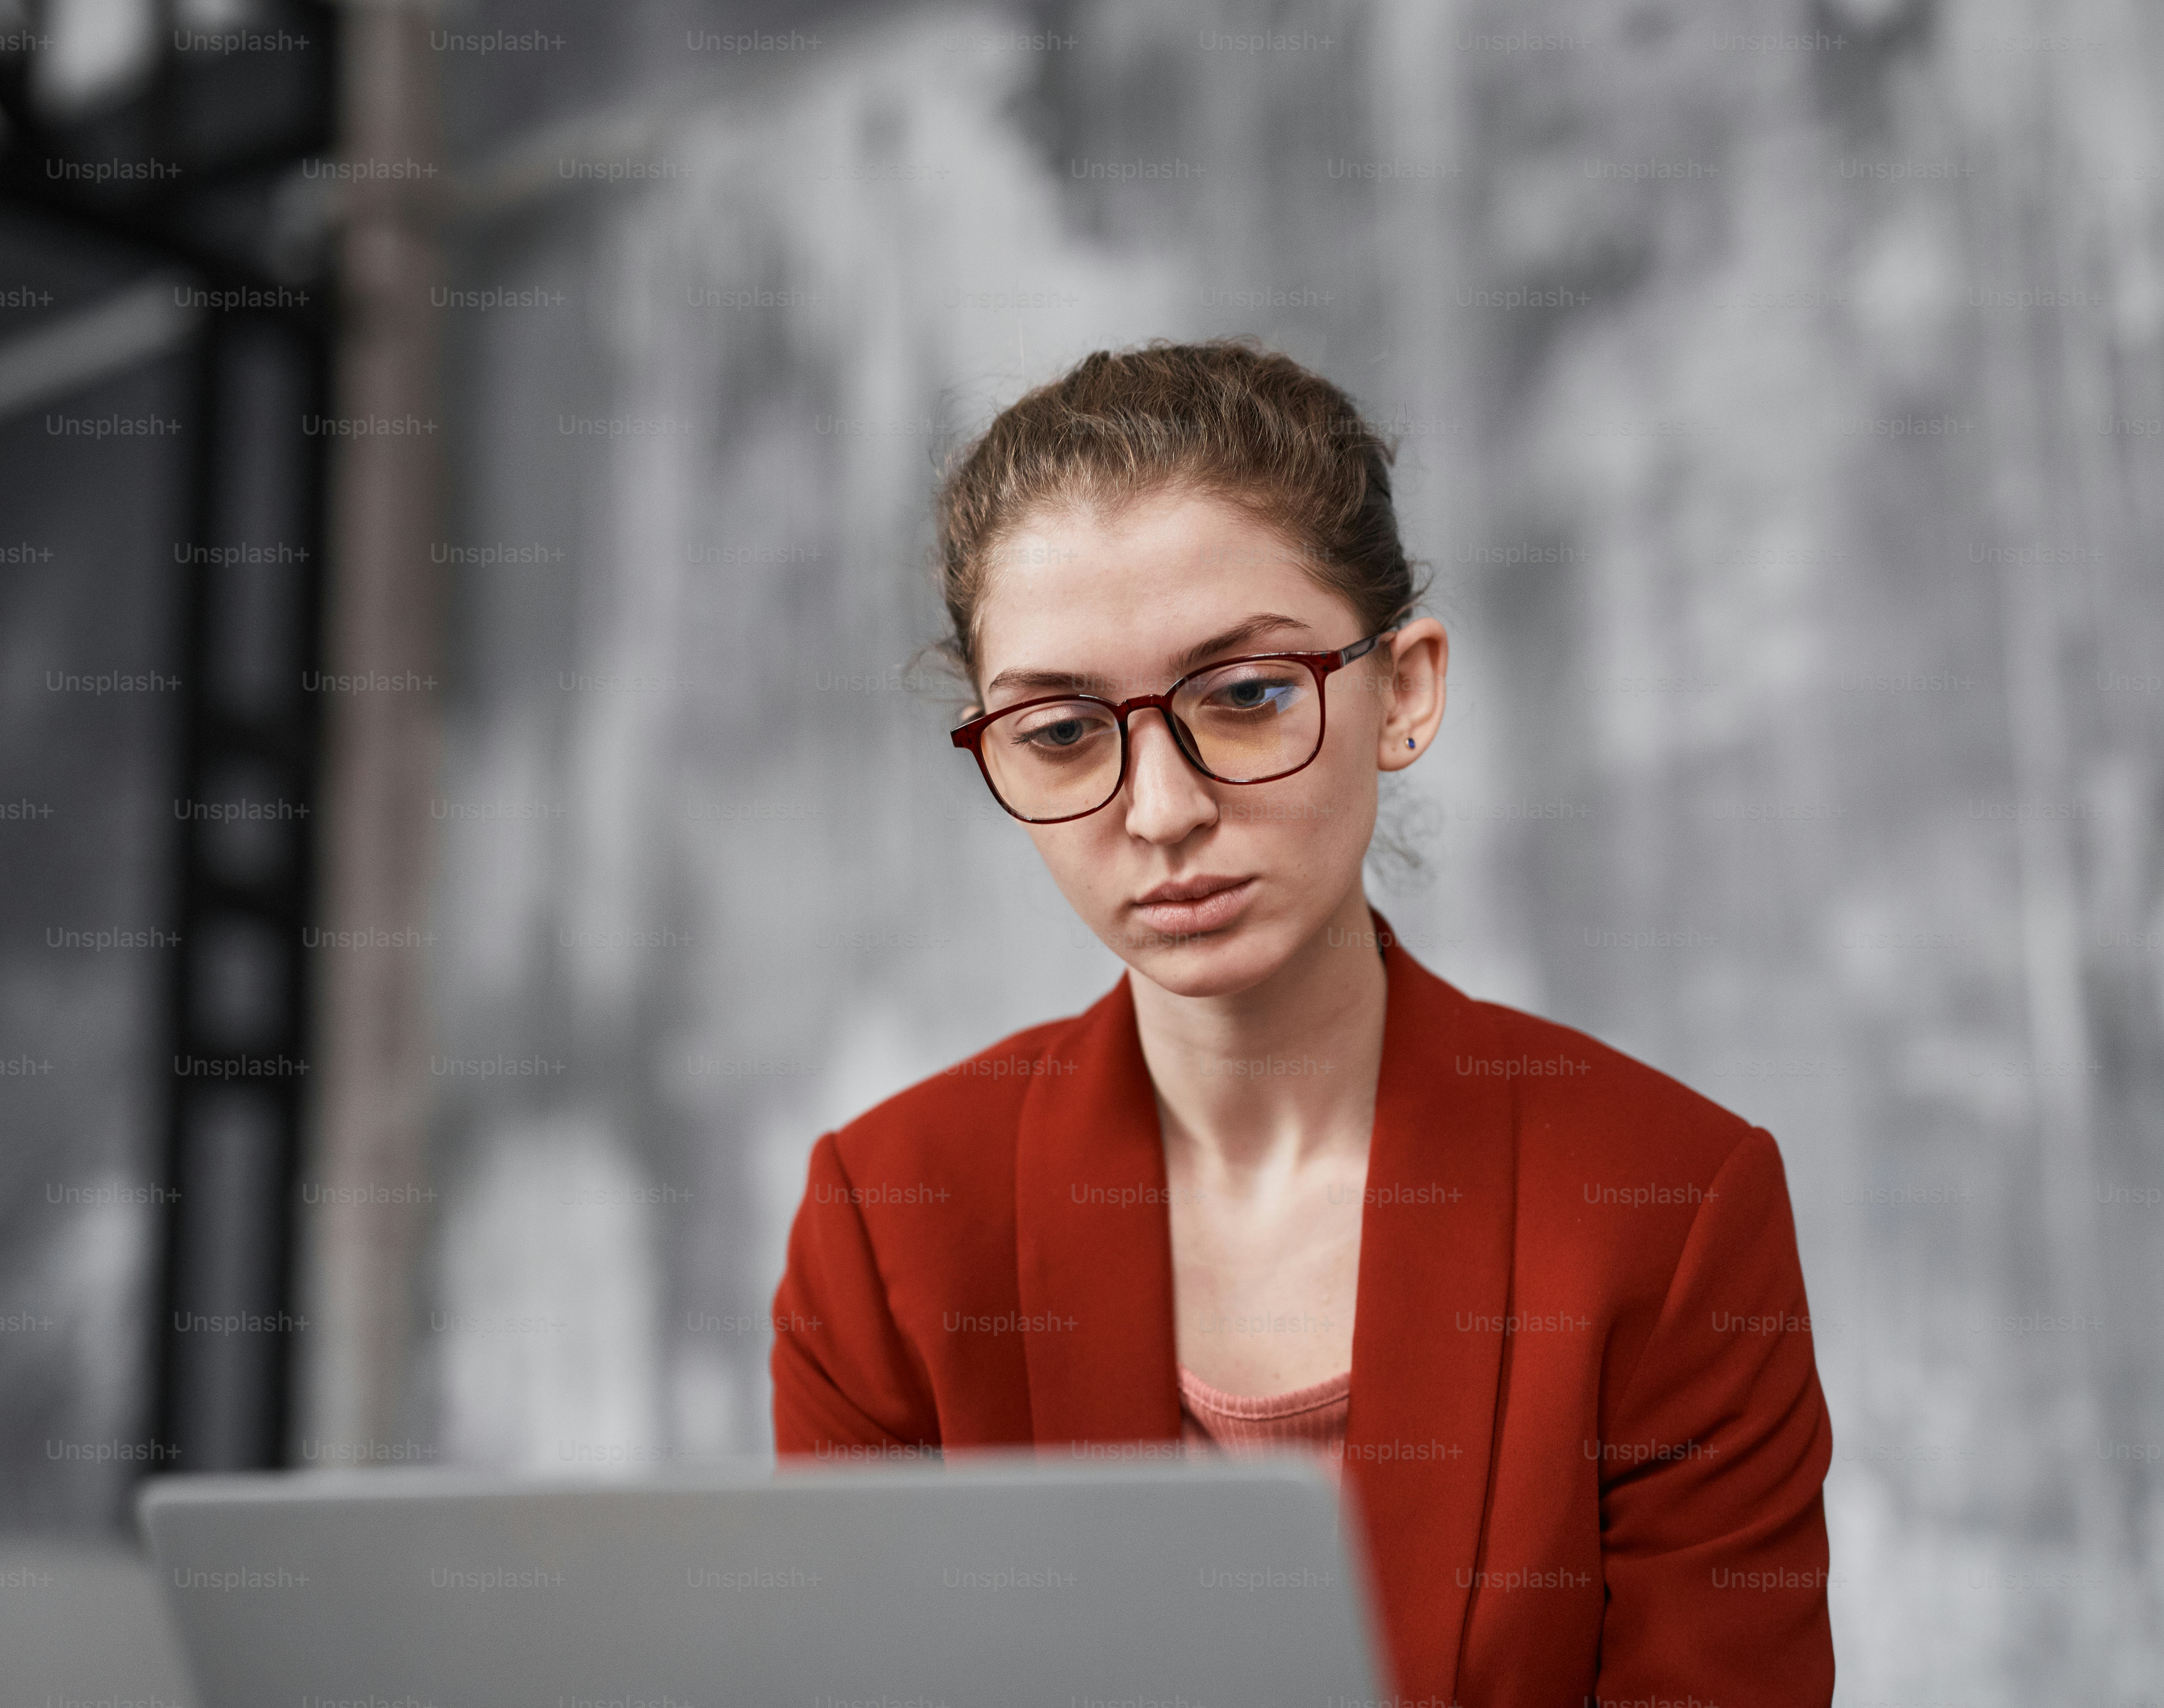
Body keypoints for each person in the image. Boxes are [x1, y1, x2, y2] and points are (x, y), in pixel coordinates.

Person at [770, 341, 1834, 1706]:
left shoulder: (1672, 1209)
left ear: (1405, 691)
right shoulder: (892, 1221)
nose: (1159, 812)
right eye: (1060, 732)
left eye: (1248, 696)